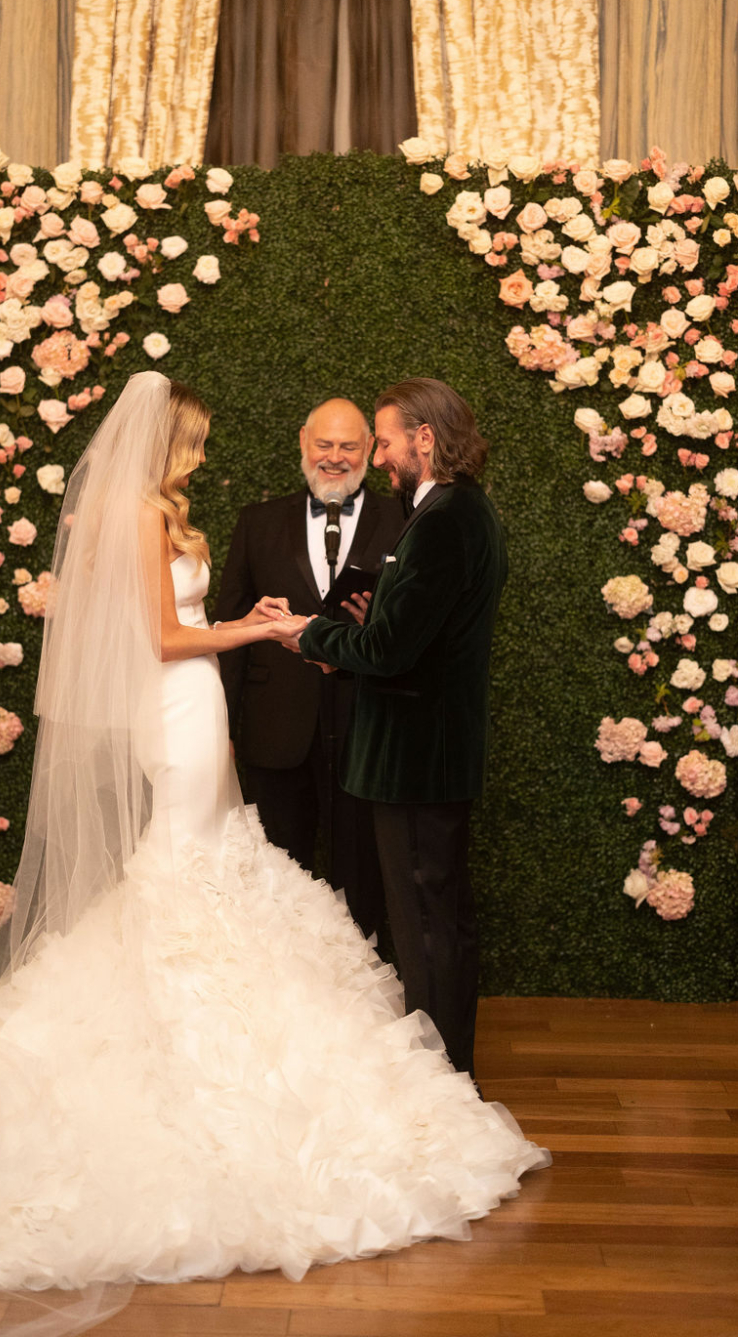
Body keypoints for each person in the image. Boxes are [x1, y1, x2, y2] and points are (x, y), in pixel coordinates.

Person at [0, 372, 546, 1319]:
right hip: (178, 706)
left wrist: (274, 631)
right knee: (188, 865)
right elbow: (160, 637)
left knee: (212, 861)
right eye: (193, 442)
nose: (200, 456)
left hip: (203, 708)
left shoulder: (169, 514)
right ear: (164, 443)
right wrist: (259, 630)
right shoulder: (134, 517)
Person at [296, 377, 507, 1082]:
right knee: (436, 919)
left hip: (417, 757)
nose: (378, 457)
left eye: (384, 442)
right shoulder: (457, 510)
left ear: (424, 438)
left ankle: (442, 1082)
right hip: (429, 755)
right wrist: (367, 627)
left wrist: (310, 635)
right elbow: (411, 635)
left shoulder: (445, 518)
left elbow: (392, 651)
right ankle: (448, 1074)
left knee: (425, 925)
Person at [215, 398, 401, 939]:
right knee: (274, 871)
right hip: (275, 729)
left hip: (367, 727)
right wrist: (222, 727)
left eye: (348, 446)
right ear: (303, 441)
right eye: (324, 444)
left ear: (369, 448)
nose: (334, 457)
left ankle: (364, 977)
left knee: (364, 872)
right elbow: (230, 632)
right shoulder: (257, 523)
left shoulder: (404, 520)